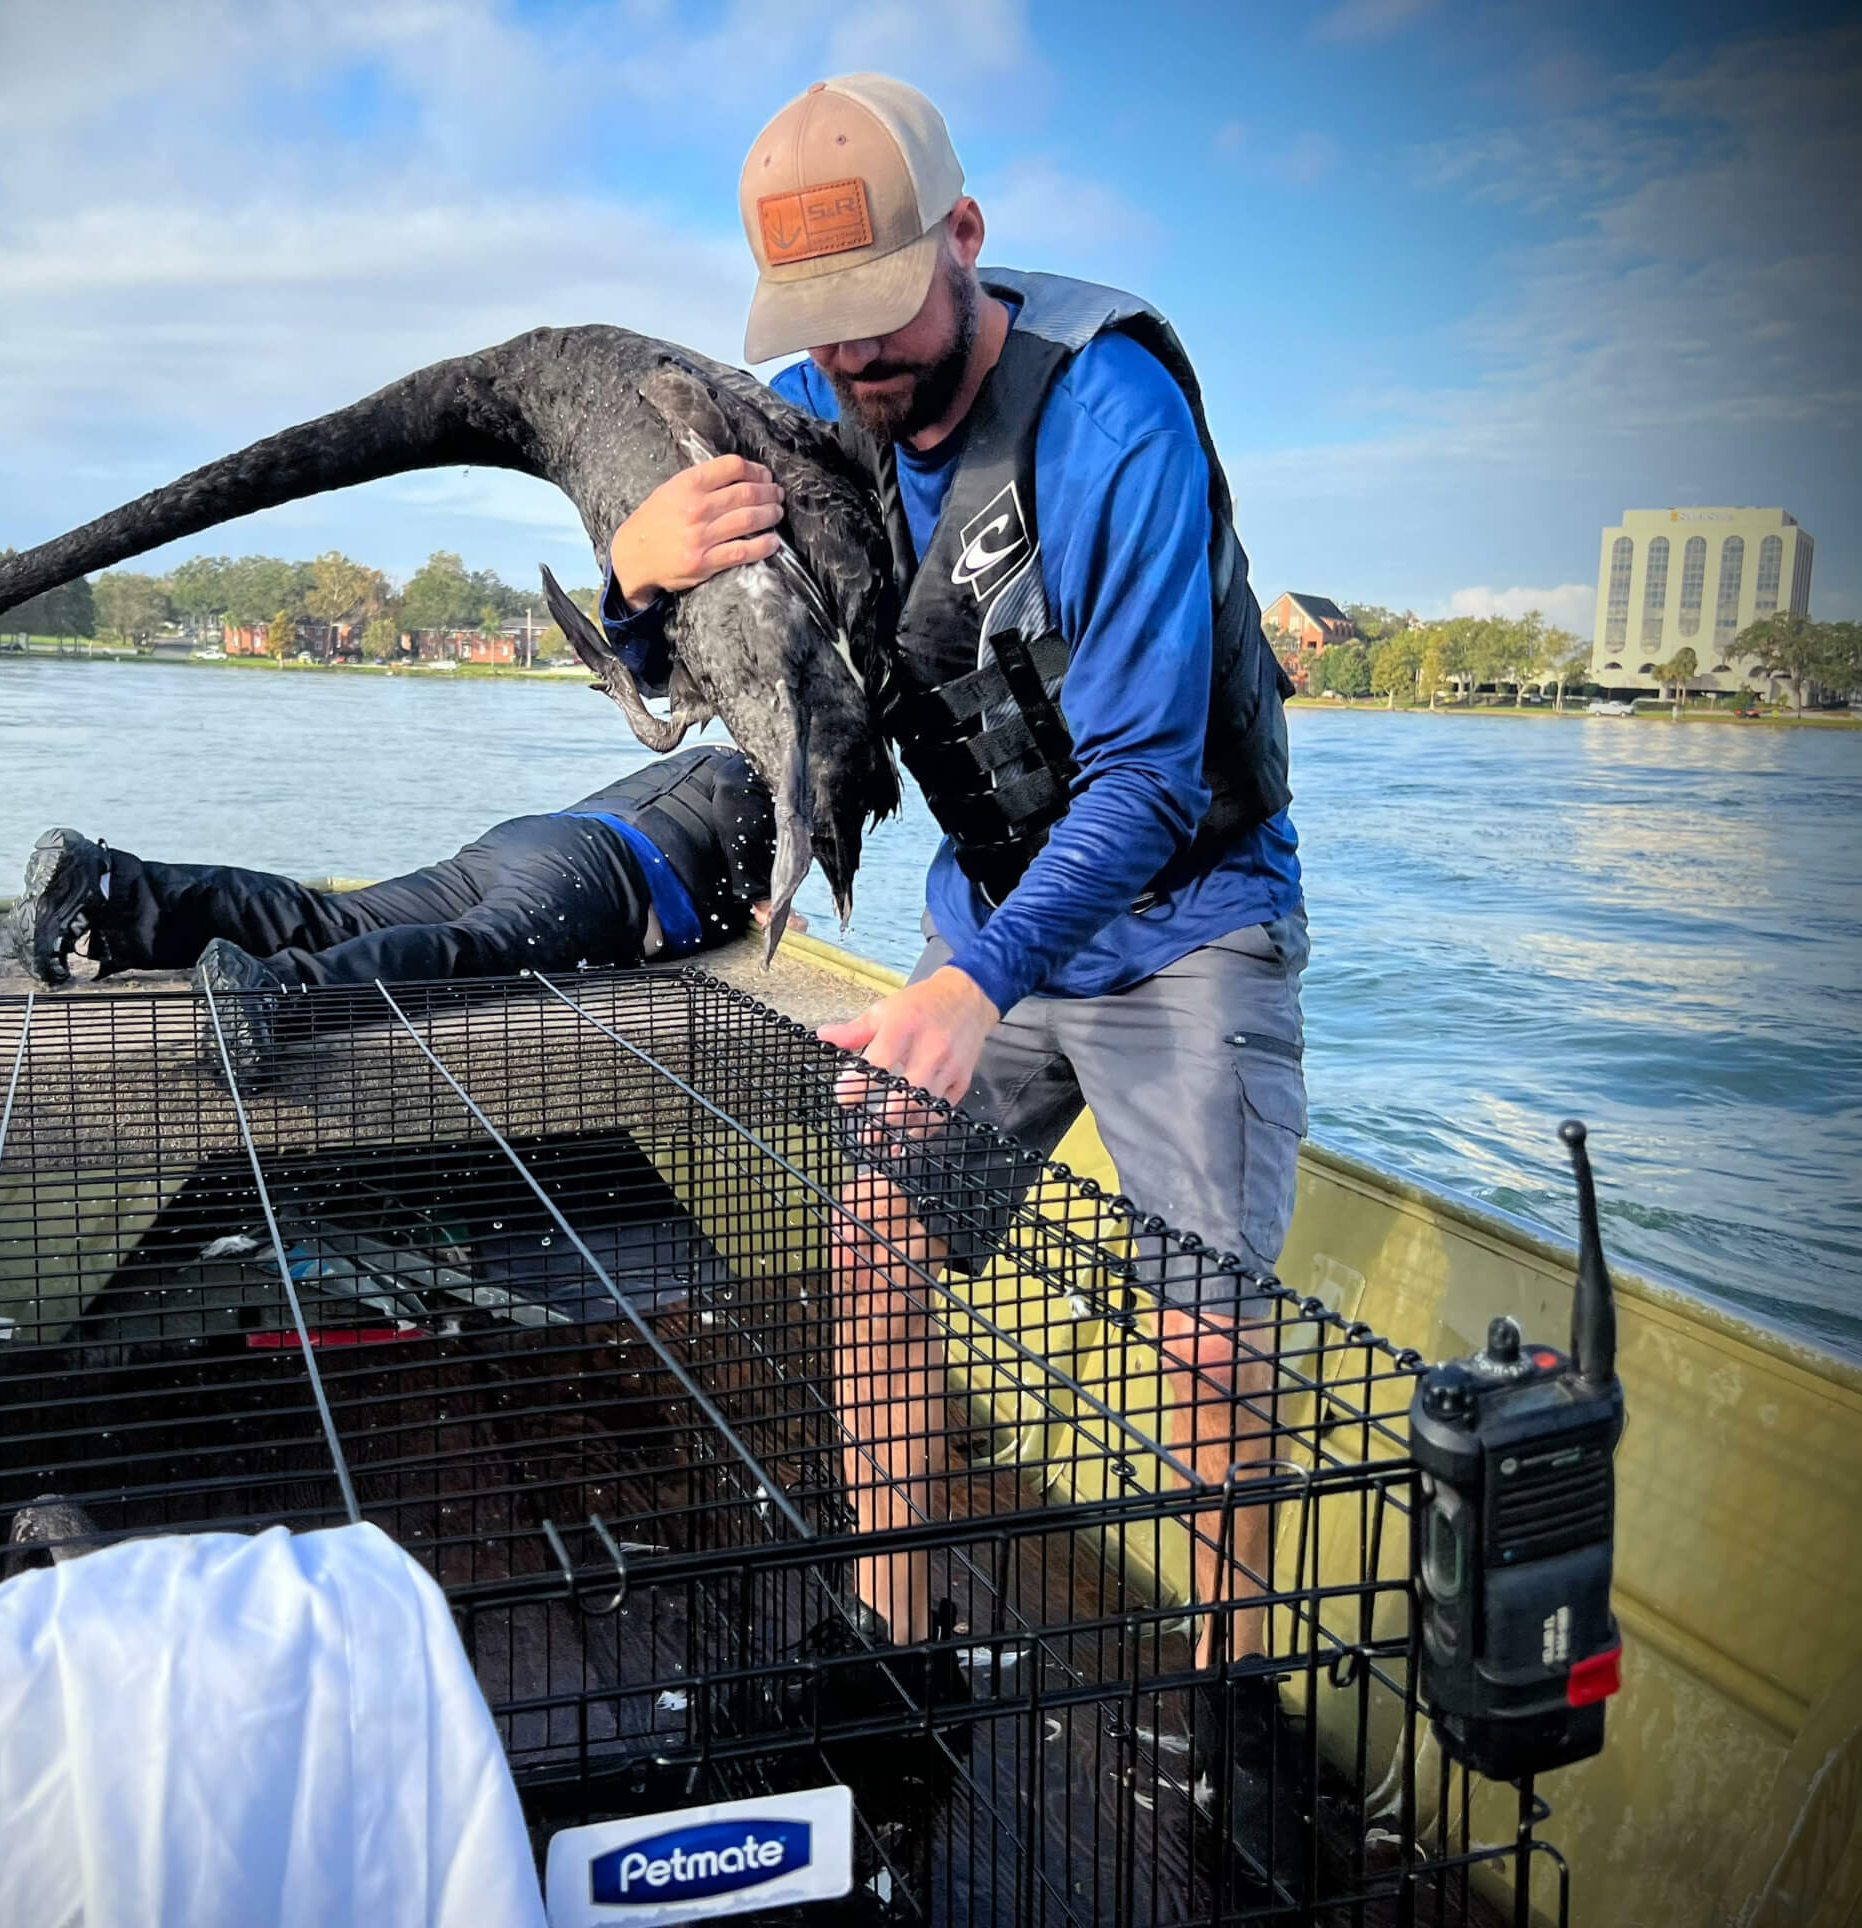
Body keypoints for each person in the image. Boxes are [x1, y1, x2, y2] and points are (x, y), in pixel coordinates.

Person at [596, 74, 1309, 1846]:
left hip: (1184, 928)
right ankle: (897, 1644)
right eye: (820, 337)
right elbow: (703, 681)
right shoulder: (792, 424)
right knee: (873, 1228)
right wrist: (633, 579)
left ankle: (1231, 1701)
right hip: (988, 930)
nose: (860, 369)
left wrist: (976, 982)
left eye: (885, 320)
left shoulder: (1111, 415)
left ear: (968, 241)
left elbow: (1151, 776)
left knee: (1210, 1331)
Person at [7, 743, 779, 994]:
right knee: (481, 952)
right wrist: (759, 894)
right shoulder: (753, 764)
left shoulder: (680, 770)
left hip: (523, 842)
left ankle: (107, 898)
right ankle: (276, 990)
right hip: (596, 870)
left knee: (337, 915)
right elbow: (734, 771)